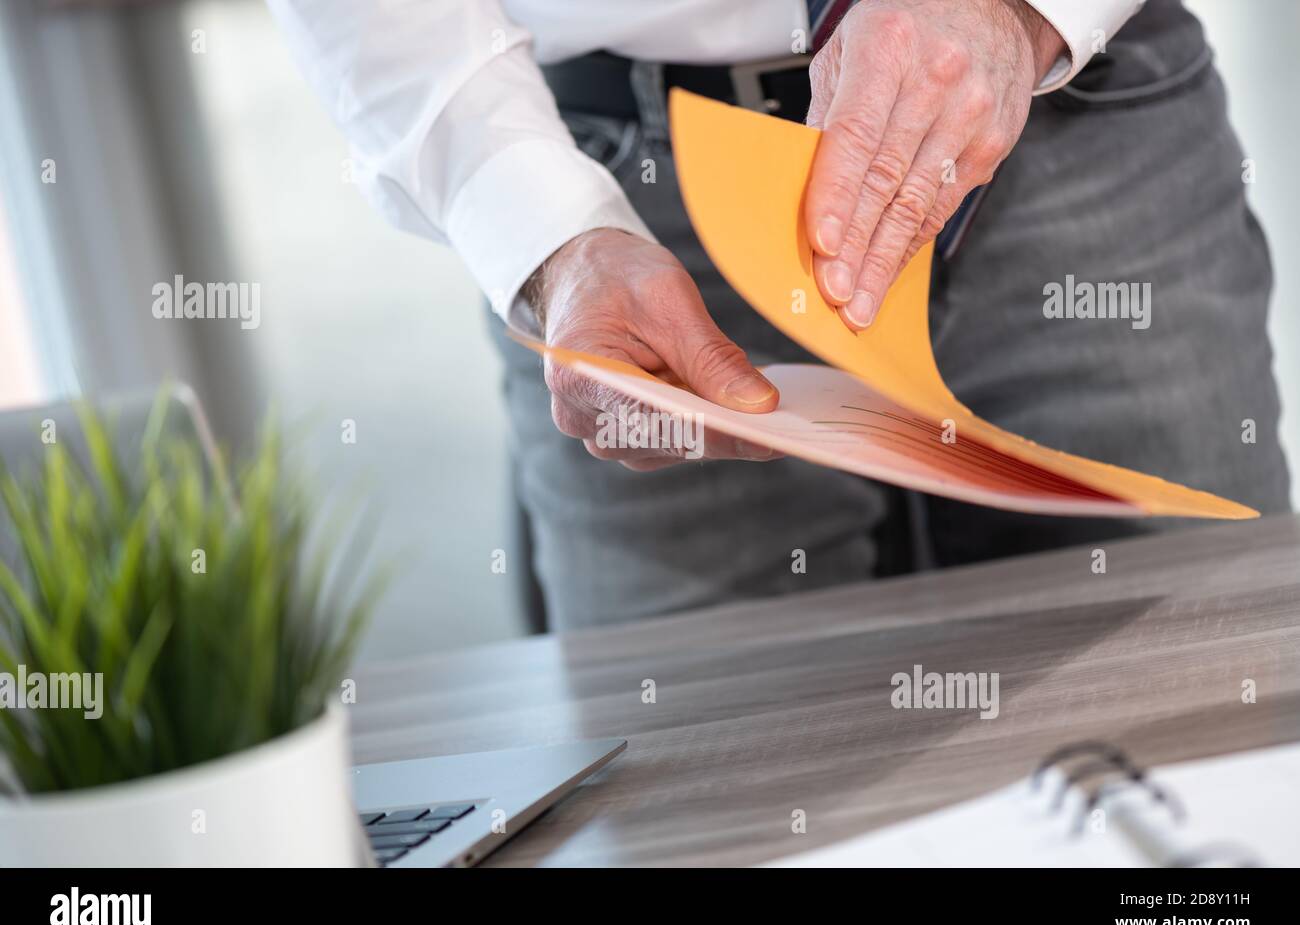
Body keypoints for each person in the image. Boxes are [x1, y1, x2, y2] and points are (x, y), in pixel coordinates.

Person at [268, 0, 1290, 630]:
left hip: (1067, 93)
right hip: (627, 184)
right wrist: (541, 227)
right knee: (722, 794)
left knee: (1189, 712)